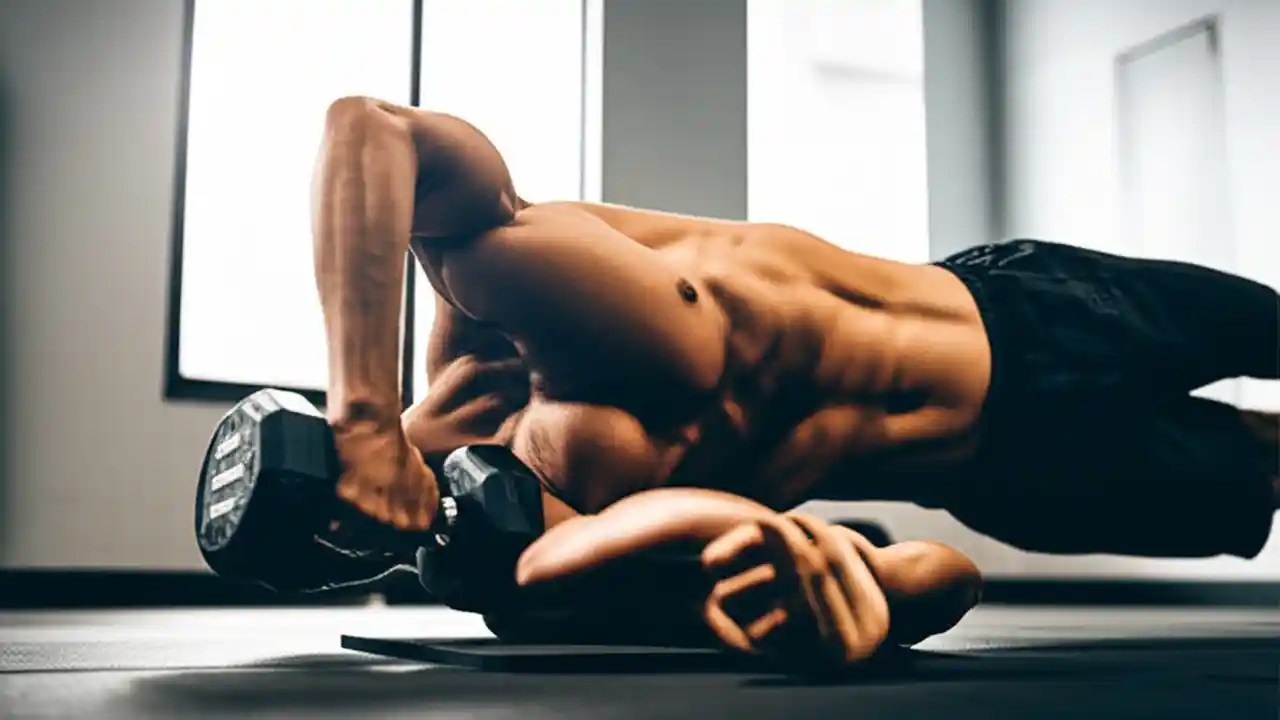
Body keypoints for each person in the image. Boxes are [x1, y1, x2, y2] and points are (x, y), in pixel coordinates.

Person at [309, 96, 1277, 663]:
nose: (343, 540)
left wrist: (361, 414)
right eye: (313, 548)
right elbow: (931, 580)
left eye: (319, 511)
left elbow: (370, 129)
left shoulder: (490, 290)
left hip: (1036, 310)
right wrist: (857, 605)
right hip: (1010, 470)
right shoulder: (524, 550)